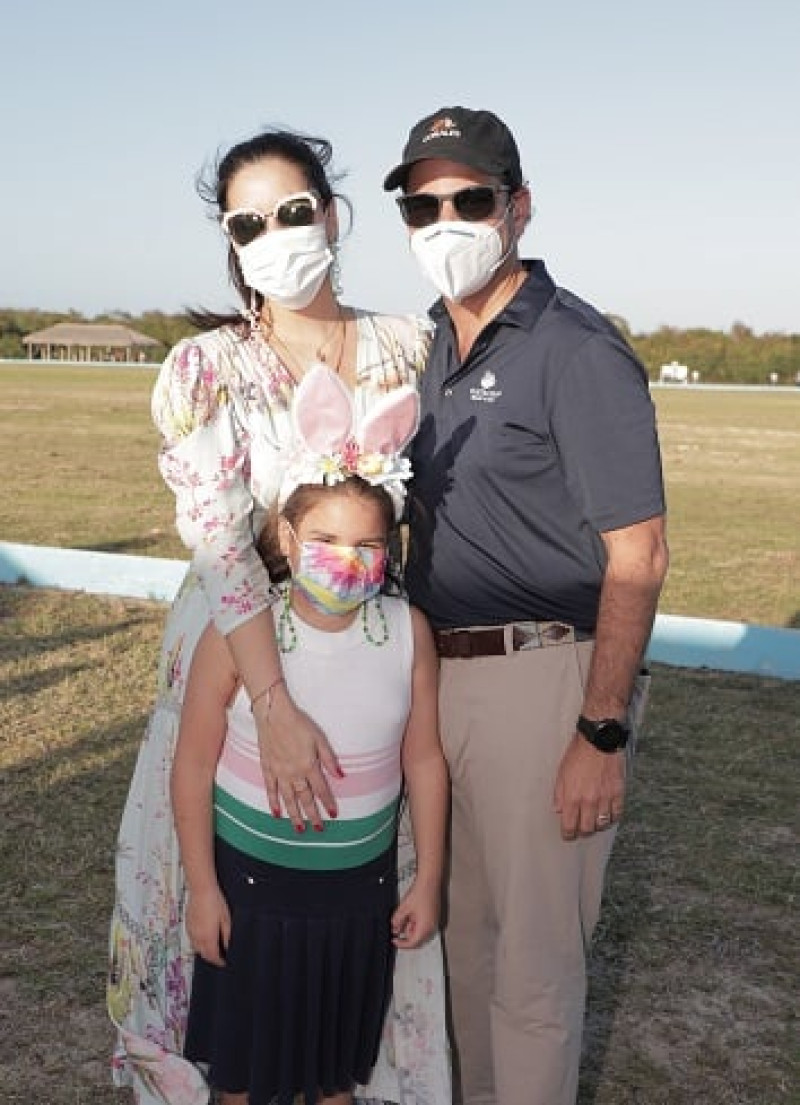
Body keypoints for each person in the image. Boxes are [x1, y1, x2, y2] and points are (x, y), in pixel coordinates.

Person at [107, 127, 451, 1105]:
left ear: (332, 217)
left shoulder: (408, 348)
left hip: (366, 660)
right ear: (231, 241)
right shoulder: (205, 367)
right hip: (234, 661)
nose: (274, 234)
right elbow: (221, 539)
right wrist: (272, 701)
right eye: (246, 222)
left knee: (346, 932)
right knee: (226, 932)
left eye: (291, 211)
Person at [383, 106, 670, 1105]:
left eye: (467, 197)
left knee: (534, 974)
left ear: (517, 206)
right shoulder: (417, 350)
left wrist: (597, 727)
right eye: (421, 203)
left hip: (543, 679)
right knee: (456, 951)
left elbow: (636, 554)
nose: (443, 219)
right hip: (435, 687)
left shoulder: (575, 348)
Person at [171, 366, 449, 1105]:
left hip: (357, 901)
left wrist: (428, 878)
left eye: (368, 544)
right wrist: (203, 889)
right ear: (288, 538)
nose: (347, 560)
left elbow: (423, 761)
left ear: (390, 547)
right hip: (250, 893)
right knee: (241, 1076)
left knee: (333, 1077)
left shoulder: (406, 632)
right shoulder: (239, 634)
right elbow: (193, 764)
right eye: (325, 538)